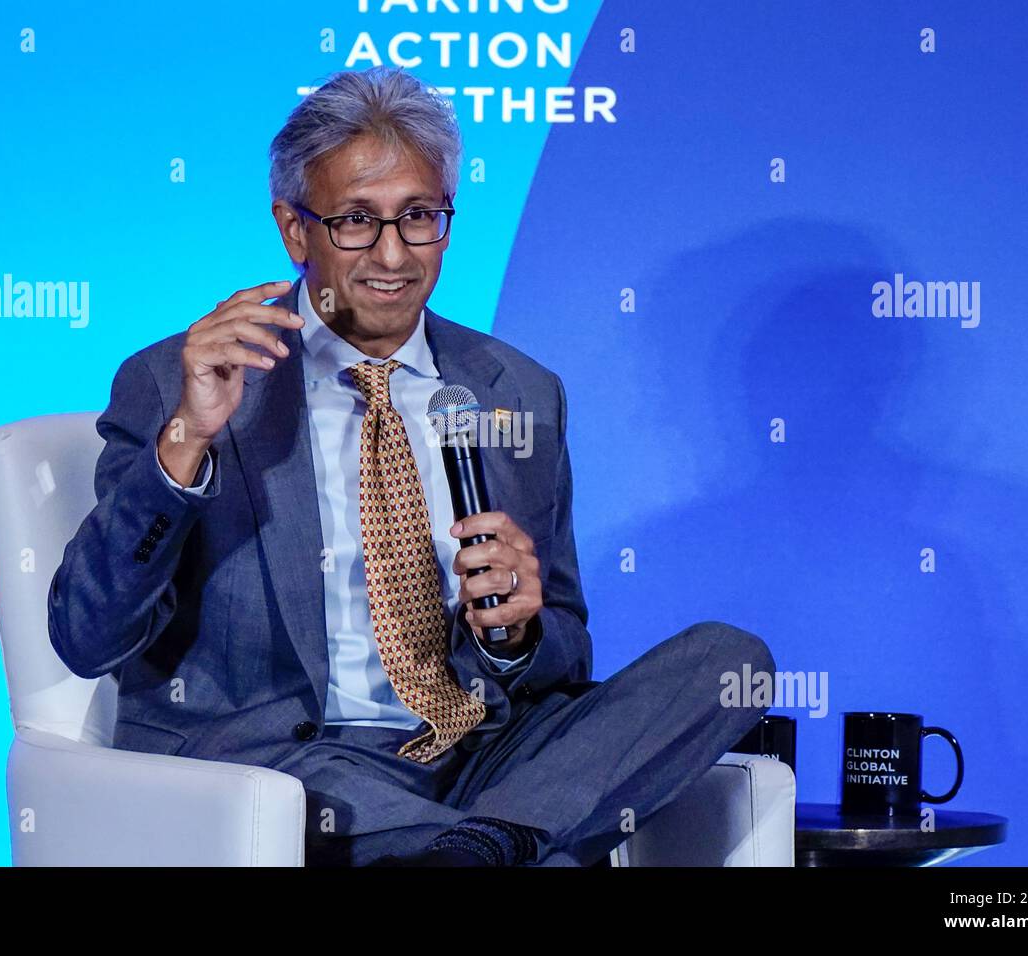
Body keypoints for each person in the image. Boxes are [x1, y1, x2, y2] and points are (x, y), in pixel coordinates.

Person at [47, 65, 774, 866]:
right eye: (356, 220)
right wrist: (185, 440)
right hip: (296, 762)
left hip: (482, 752)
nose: (393, 254)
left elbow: (566, 656)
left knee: (729, 659)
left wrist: (517, 633)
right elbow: (88, 638)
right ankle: (507, 845)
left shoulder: (520, 390)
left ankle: (482, 844)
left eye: (418, 217)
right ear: (295, 230)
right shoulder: (187, 381)